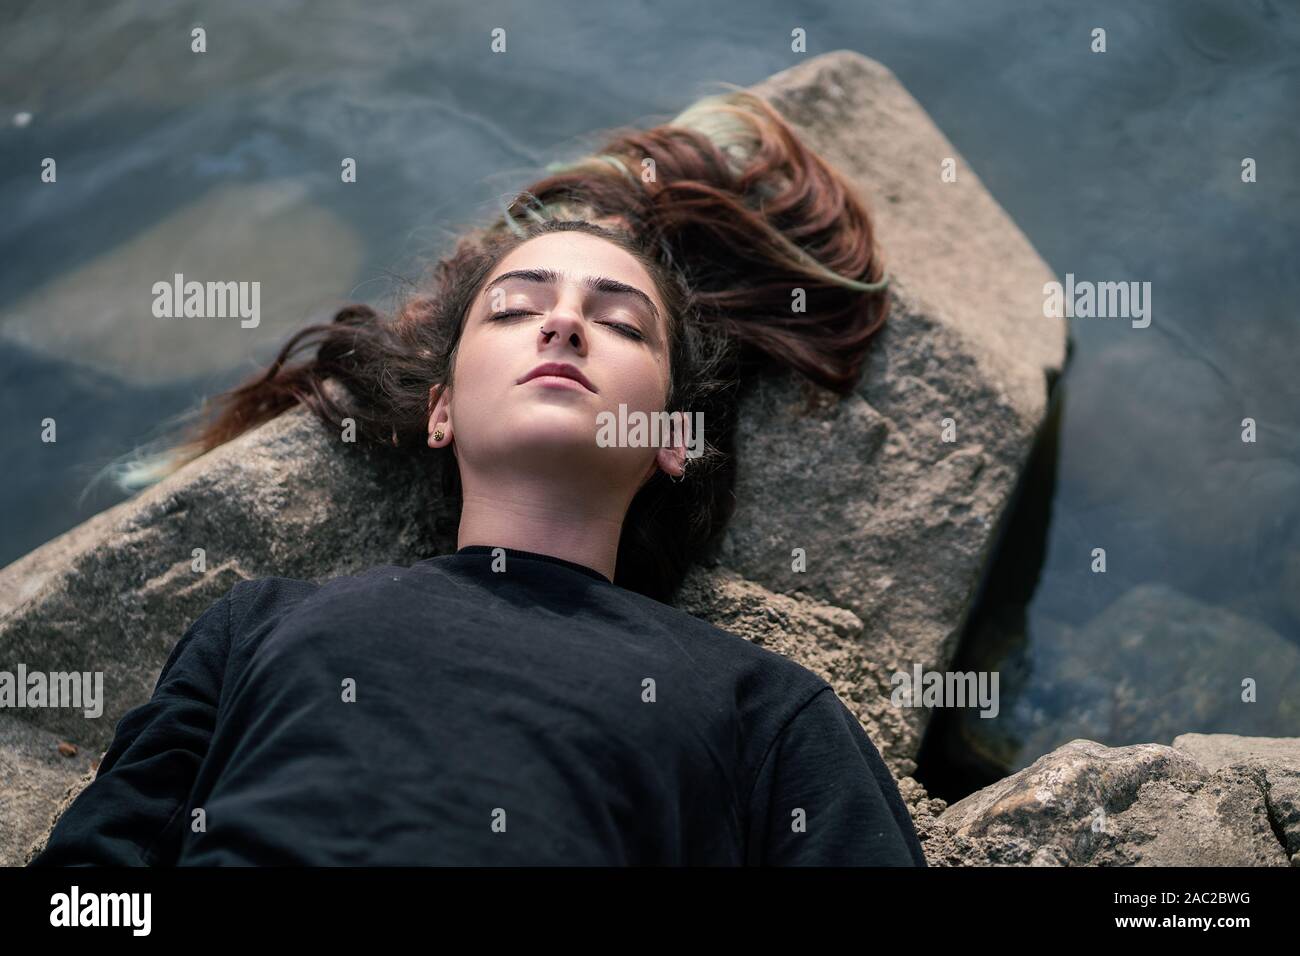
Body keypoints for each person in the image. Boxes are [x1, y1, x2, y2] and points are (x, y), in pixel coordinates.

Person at [29, 88, 924, 866]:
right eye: (516, 307)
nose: (563, 325)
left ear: (671, 437)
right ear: (442, 408)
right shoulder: (256, 624)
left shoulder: (765, 708)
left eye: (620, 324)